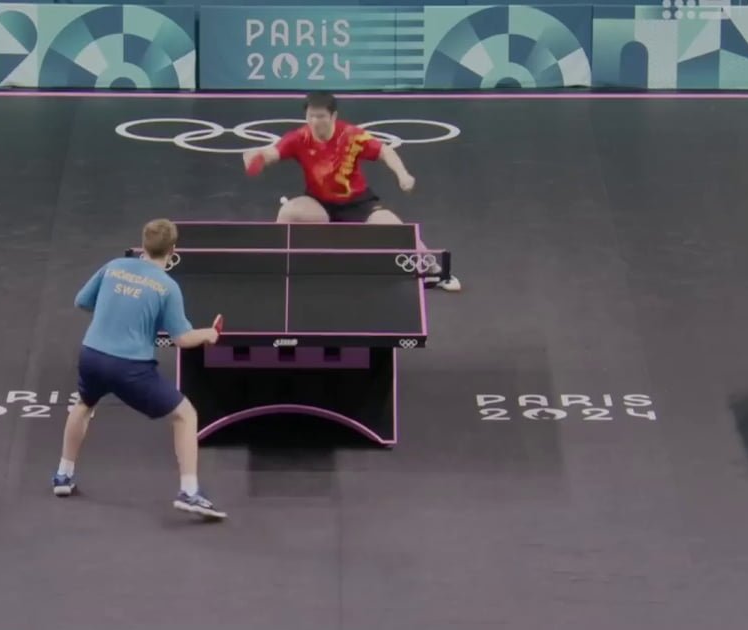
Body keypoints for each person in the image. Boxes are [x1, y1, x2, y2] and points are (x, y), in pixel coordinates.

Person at [52, 218, 227, 520]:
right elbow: (183, 339)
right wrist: (210, 335)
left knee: (83, 404)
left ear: (143, 244)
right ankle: (189, 492)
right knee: (185, 415)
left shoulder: (114, 266)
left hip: (92, 355)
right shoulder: (168, 287)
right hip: (129, 367)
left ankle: (63, 476)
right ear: (173, 250)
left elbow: (82, 301)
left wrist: (117, 307)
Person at [241, 91, 461, 292]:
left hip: (358, 203)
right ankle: (279, 264)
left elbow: (385, 151)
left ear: (333, 116)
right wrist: (256, 154)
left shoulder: (351, 135)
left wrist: (403, 175)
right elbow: (270, 153)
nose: (315, 122)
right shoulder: (298, 138)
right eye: (310, 116)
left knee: (395, 228)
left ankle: (437, 273)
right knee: (289, 212)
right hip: (320, 204)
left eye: (320, 116)